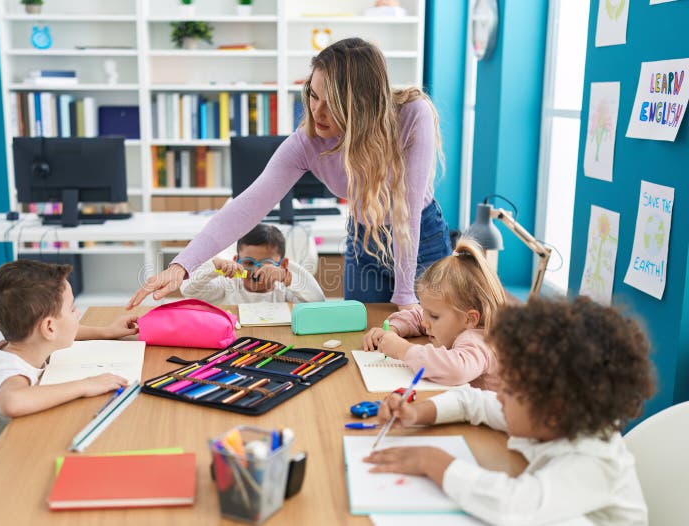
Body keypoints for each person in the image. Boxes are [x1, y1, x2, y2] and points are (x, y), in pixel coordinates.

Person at [128, 37, 451, 311]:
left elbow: (405, 211)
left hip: (420, 238)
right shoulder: (305, 143)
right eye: (313, 95)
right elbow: (246, 206)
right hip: (363, 239)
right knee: (362, 335)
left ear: (363, 103)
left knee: (428, 336)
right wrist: (181, 266)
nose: (317, 112)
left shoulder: (411, 115)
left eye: (333, 103)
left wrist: (406, 297)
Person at [365, 296, 654, 525]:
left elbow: (513, 506)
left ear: (554, 409)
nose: (499, 394)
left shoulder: (595, 462)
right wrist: (419, 412)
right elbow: (473, 401)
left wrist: (434, 462)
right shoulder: (553, 417)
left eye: (511, 389)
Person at [0, 260, 138, 482]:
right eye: (72, 309)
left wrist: (106, 331)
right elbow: (12, 401)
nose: (77, 312)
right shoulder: (8, 371)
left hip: (14, 455)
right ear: (49, 328)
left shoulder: (21, 343)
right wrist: (86, 384)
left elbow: (65, 331)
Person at [362, 239, 505, 390]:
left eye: (434, 316)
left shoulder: (479, 341)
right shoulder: (454, 323)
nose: (424, 322)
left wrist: (402, 349)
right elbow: (417, 315)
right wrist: (392, 330)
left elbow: (456, 370)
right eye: (425, 311)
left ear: (470, 318)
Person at [180, 224, 325, 304]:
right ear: (236, 261)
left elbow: (318, 301)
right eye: (248, 262)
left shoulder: (285, 293)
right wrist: (213, 267)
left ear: (283, 264)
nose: (256, 271)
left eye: (266, 264)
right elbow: (187, 290)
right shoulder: (228, 287)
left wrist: (286, 275)